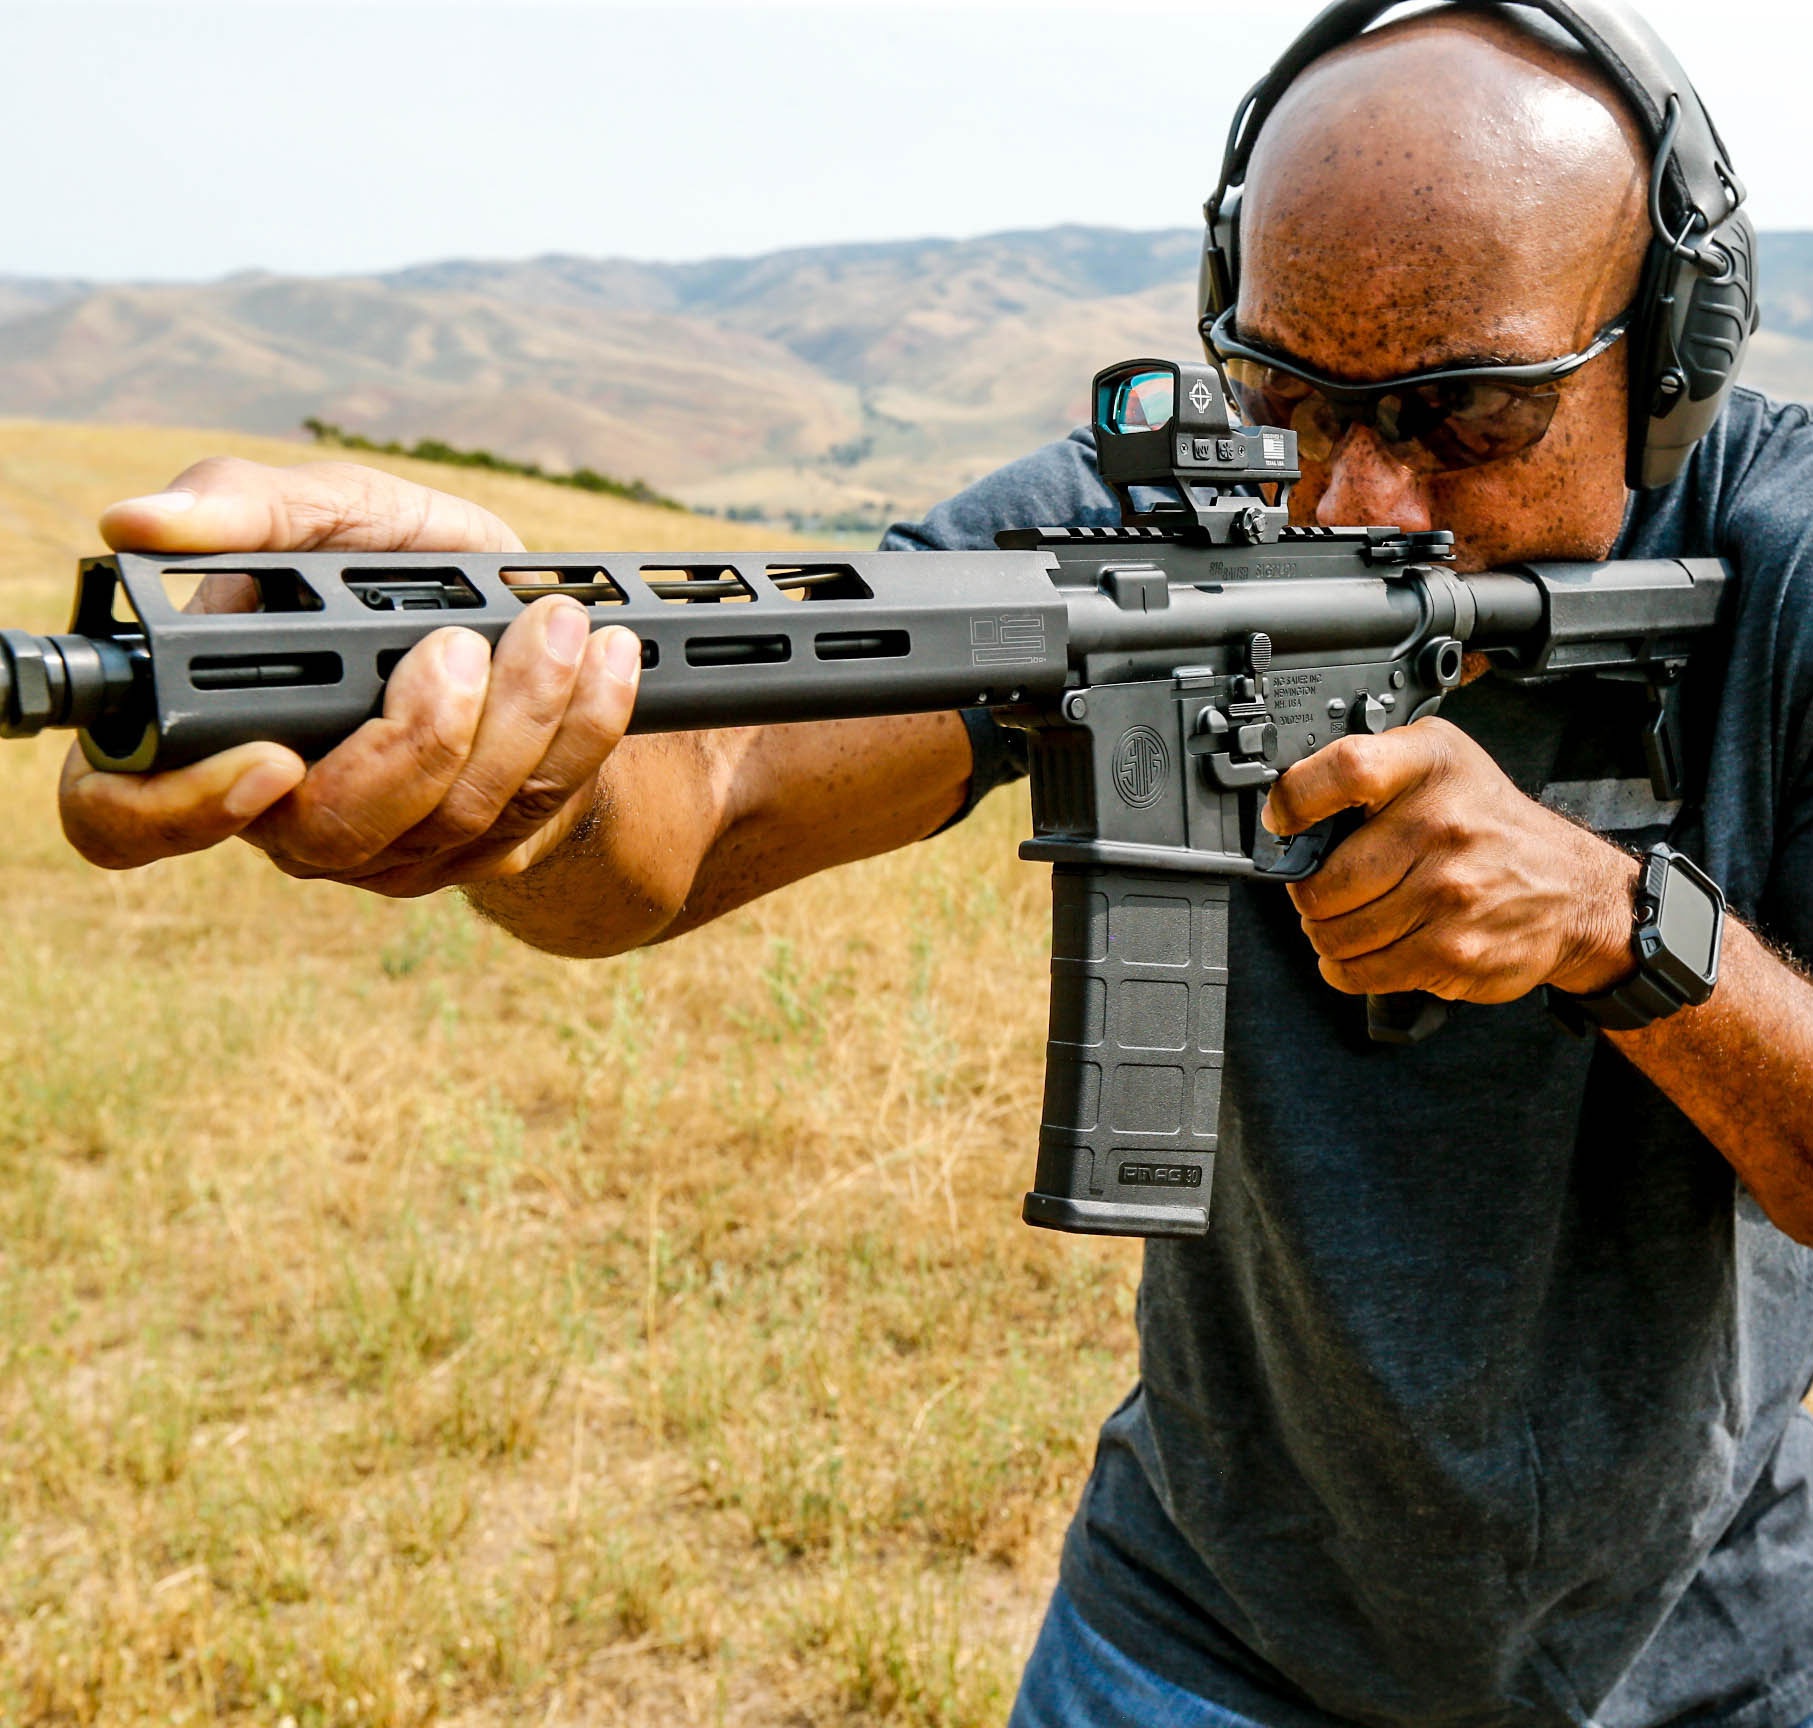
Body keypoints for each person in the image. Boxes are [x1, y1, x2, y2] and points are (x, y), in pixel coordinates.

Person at [55, 7, 1813, 1724]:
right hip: (1198, 1631)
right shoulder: (1127, 536)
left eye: (1466, 417)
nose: (1355, 495)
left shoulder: (1782, 572)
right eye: (1284, 395)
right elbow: (705, 807)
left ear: (1664, 357)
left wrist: (1617, 923)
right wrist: (521, 718)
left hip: (1708, 1659)